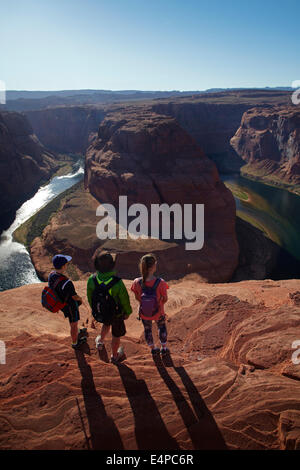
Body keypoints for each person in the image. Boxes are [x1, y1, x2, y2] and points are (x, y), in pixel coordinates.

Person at [87, 251, 132, 364]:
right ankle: (115, 355)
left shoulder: (91, 280)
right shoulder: (117, 283)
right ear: (112, 266)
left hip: (102, 313)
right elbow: (124, 300)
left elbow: (90, 297)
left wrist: (95, 309)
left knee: (106, 324)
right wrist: (127, 312)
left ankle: (100, 341)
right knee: (116, 335)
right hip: (116, 314)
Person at [131, 253, 169, 356]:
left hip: (144, 312)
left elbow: (137, 297)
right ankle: (164, 348)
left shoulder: (136, 282)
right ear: (153, 266)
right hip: (158, 311)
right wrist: (159, 304)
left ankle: (153, 349)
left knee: (147, 330)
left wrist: (144, 303)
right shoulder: (160, 282)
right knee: (161, 327)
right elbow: (165, 299)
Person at [48, 254, 85, 349]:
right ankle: (75, 343)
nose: (67, 265)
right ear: (63, 266)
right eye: (66, 264)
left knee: (72, 320)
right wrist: (80, 299)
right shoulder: (67, 282)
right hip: (70, 305)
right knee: (74, 323)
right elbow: (74, 296)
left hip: (61, 304)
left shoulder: (51, 275)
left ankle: (77, 331)